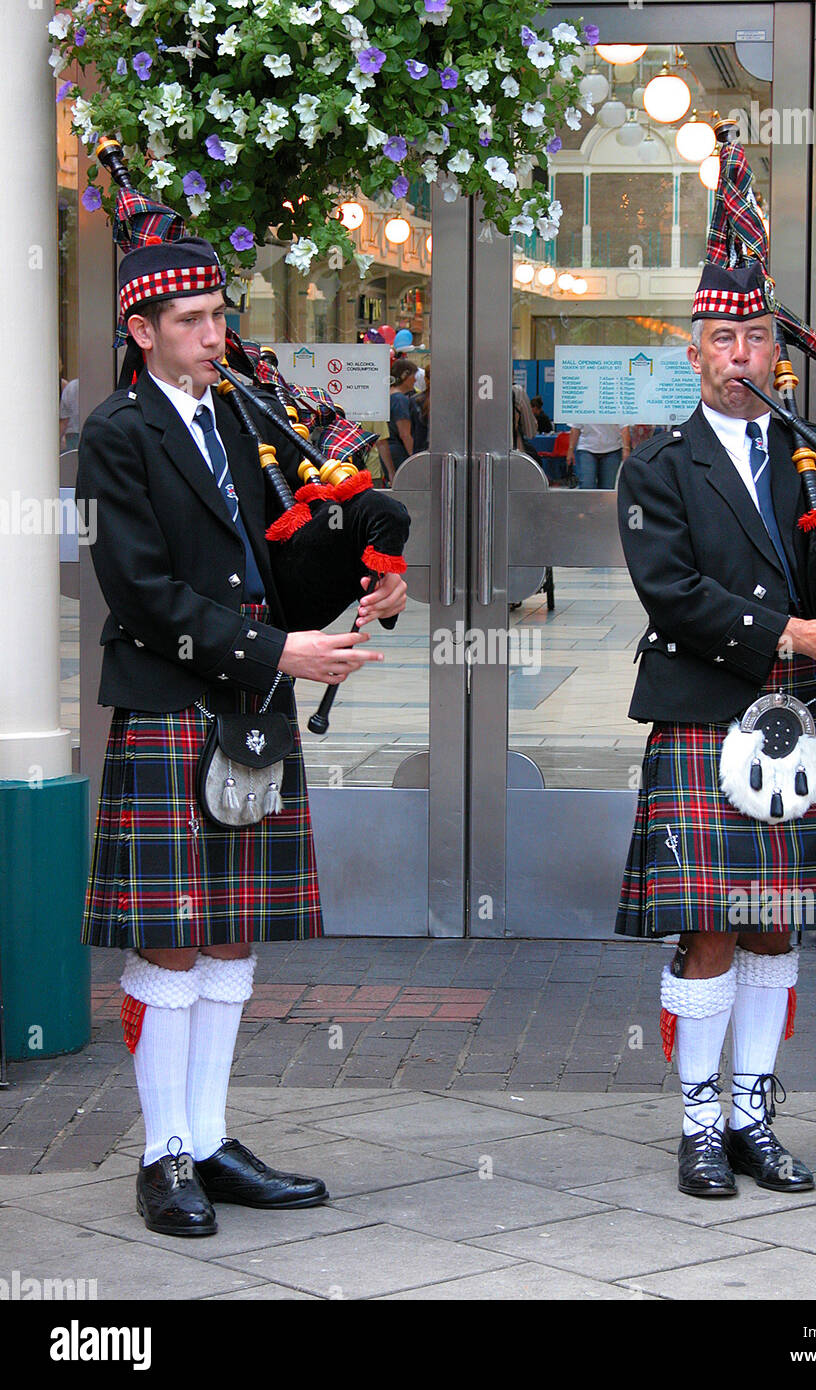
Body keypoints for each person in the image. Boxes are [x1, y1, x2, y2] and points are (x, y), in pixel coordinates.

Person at [75, 233, 407, 1238]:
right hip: (174, 701)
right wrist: (277, 657)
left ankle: (212, 1137)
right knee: (171, 940)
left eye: (219, 316)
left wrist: (368, 576)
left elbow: (282, 563)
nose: (214, 336)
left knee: (228, 932)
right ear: (141, 332)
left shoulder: (242, 414)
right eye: (190, 322)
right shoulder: (116, 433)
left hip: (246, 707)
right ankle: (161, 1152)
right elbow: (139, 591)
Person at [615, 262, 816, 1199]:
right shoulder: (656, 463)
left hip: (801, 716)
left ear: (778, 352)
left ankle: (752, 1119)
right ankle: (698, 1128)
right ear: (695, 353)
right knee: (711, 926)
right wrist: (790, 630)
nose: (741, 354)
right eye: (723, 338)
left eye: (756, 336)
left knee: (775, 927)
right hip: (705, 712)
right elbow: (670, 593)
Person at [567, 420, 632, 489]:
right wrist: (570, 450)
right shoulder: (582, 410)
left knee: (607, 488)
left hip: (612, 449)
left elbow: (624, 427)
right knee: (587, 485)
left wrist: (626, 449)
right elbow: (575, 428)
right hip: (586, 448)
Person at [386, 358, 418, 477]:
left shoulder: (389, 395)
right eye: (413, 376)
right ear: (405, 376)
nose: (415, 380)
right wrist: (413, 457)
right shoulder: (400, 400)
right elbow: (405, 433)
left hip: (390, 451)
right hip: (400, 452)